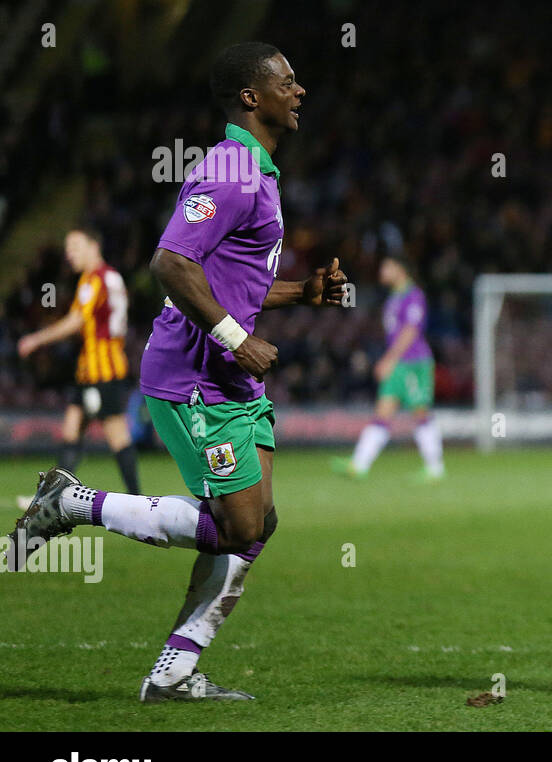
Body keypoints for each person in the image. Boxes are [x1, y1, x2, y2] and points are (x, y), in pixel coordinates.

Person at [10, 42, 349, 702]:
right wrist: (236, 338)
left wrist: (299, 292)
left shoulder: (260, 171)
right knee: (240, 528)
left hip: (228, 380)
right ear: (251, 98)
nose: (300, 90)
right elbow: (171, 263)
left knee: (257, 523)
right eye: (287, 81)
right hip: (193, 376)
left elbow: (233, 281)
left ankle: (174, 673)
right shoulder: (230, 171)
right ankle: (73, 503)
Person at [17, 228, 140, 494]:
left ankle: (137, 500)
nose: (69, 253)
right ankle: (50, 498)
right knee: (71, 430)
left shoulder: (94, 279)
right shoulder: (112, 277)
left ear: (93, 246)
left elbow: (77, 321)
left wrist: (35, 340)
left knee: (117, 436)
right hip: (95, 368)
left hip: (102, 370)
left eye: (74, 246)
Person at [333, 255, 446, 480]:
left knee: (420, 411)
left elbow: (411, 331)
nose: (382, 271)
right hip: (399, 364)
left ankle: (435, 468)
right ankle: (359, 465)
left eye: (387, 267)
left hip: (413, 362)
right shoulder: (394, 297)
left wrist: (389, 359)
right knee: (382, 413)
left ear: (400, 269)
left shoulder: (413, 295)